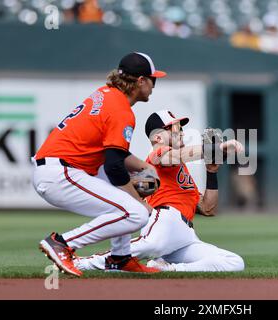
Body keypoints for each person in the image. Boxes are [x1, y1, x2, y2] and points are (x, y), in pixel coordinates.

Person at [33, 52, 166, 277]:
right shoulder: (121, 110)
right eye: (154, 79)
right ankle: (63, 243)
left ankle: (120, 258)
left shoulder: (107, 95)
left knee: (122, 200)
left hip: (61, 168)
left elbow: (112, 152)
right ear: (141, 81)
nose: (155, 85)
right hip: (61, 173)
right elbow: (114, 166)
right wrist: (139, 200)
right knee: (136, 213)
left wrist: (143, 165)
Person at [74, 110, 245, 272]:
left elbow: (208, 208)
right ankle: (81, 263)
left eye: (181, 128)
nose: (181, 132)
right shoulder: (157, 154)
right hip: (165, 221)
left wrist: (211, 172)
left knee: (233, 261)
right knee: (147, 245)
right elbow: (174, 156)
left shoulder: (181, 170)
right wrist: (217, 148)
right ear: (157, 137)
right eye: (174, 128)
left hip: (185, 236)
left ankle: (169, 268)